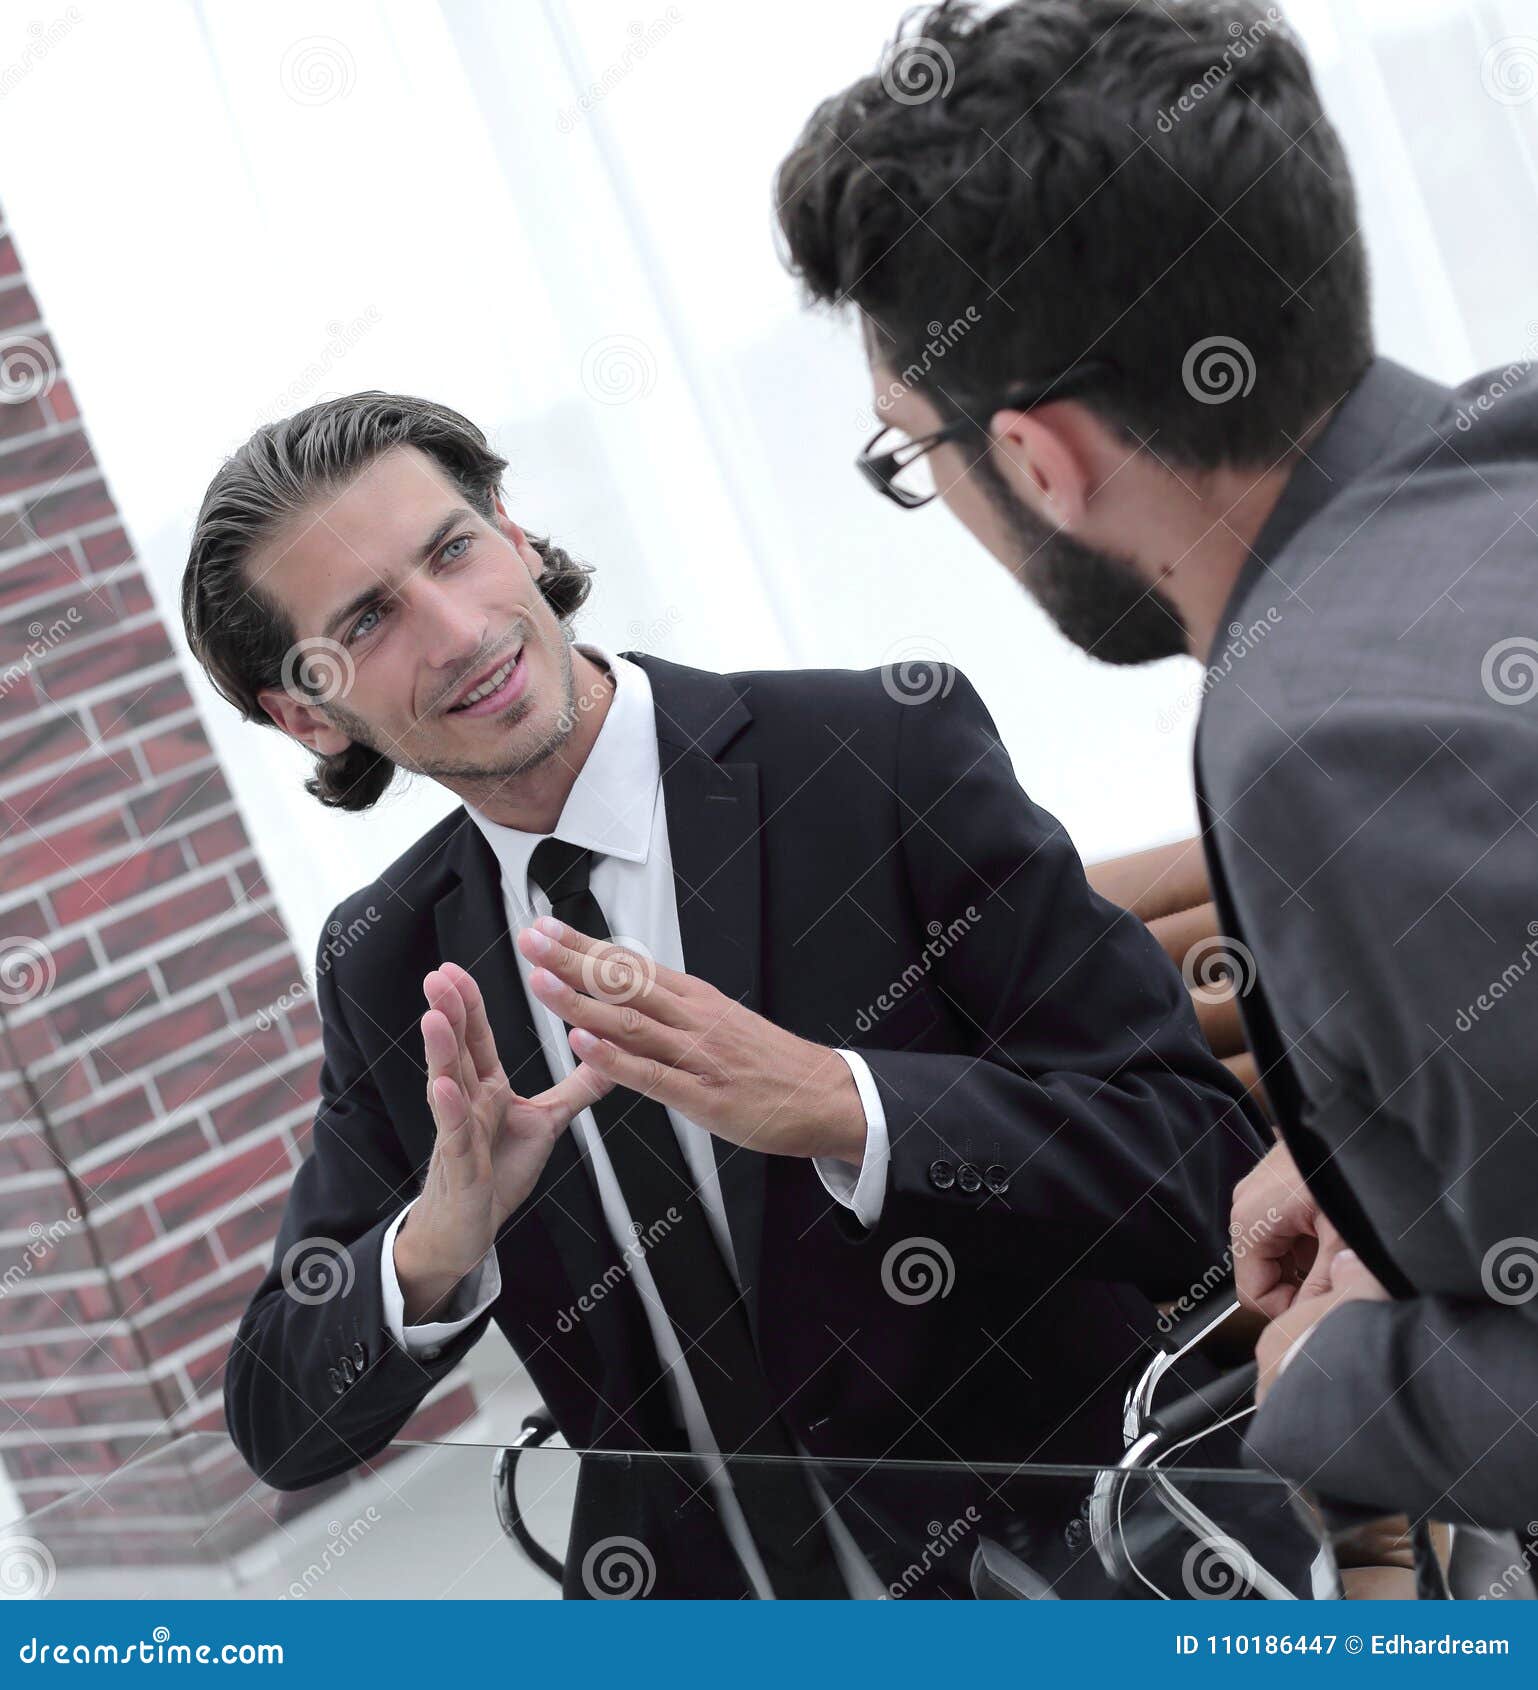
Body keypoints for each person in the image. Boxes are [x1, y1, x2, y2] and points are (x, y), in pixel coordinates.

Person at [186, 391, 1262, 1597]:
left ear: (514, 530)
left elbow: (1203, 1163)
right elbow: (281, 1418)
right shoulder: (387, 960)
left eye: (451, 550)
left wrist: (841, 1105)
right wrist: (437, 1242)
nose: (454, 631)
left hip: (1061, 1575)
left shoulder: (877, 752)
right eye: (369, 620)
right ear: (306, 713)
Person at [776, 0, 1538, 1530]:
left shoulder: (1326, 750)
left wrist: (1335, 1373)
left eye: (915, 453)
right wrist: (1375, 1166)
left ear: (1042, 458)